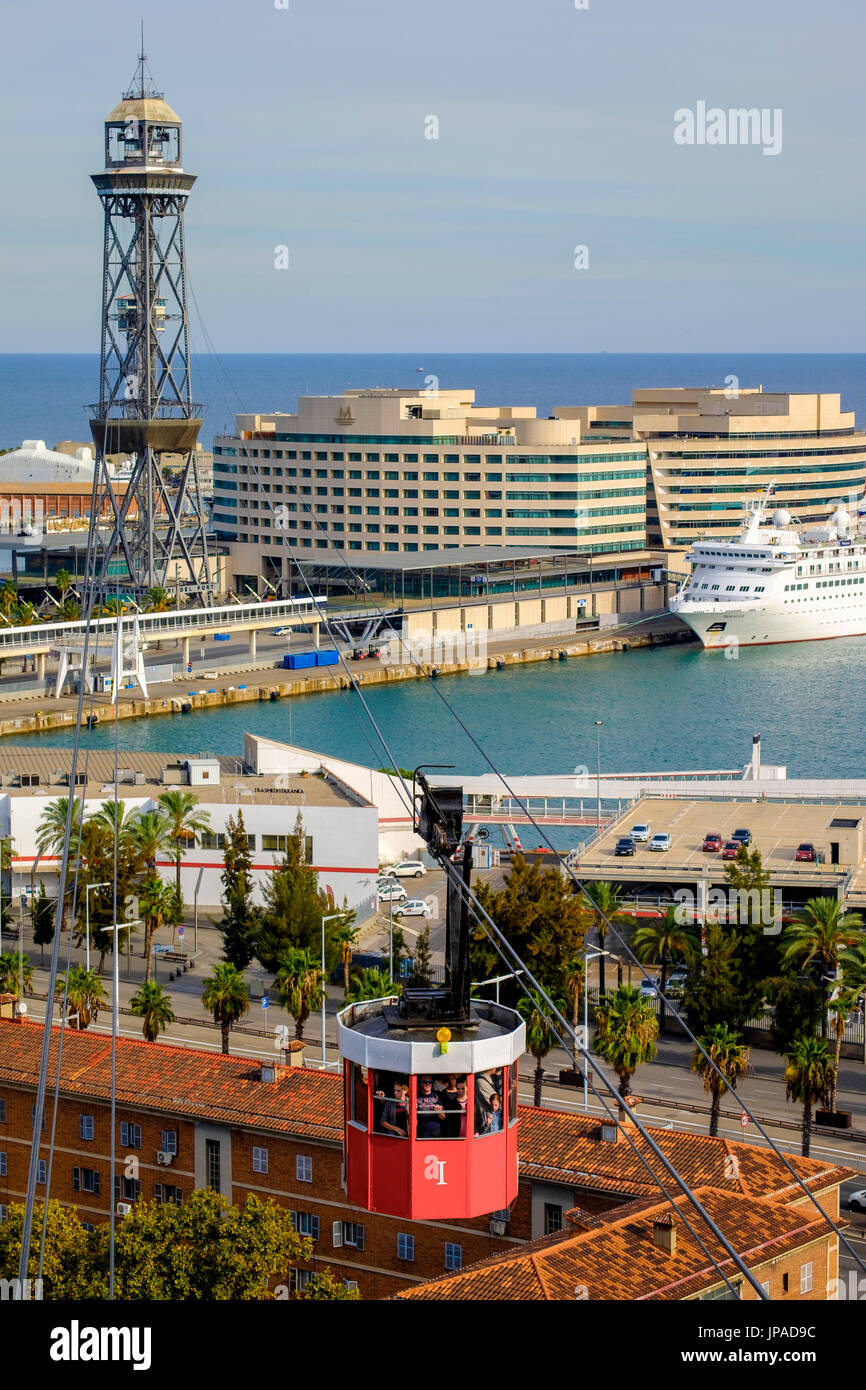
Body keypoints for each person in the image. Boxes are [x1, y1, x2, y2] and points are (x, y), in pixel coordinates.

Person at [438, 1074, 464, 1139]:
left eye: (453, 1079)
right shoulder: (442, 1093)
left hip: (459, 1120)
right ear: (446, 1081)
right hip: (446, 1122)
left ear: (455, 1080)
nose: (451, 1081)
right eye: (449, 1079)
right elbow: (440, 1107)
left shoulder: (460, 1092)